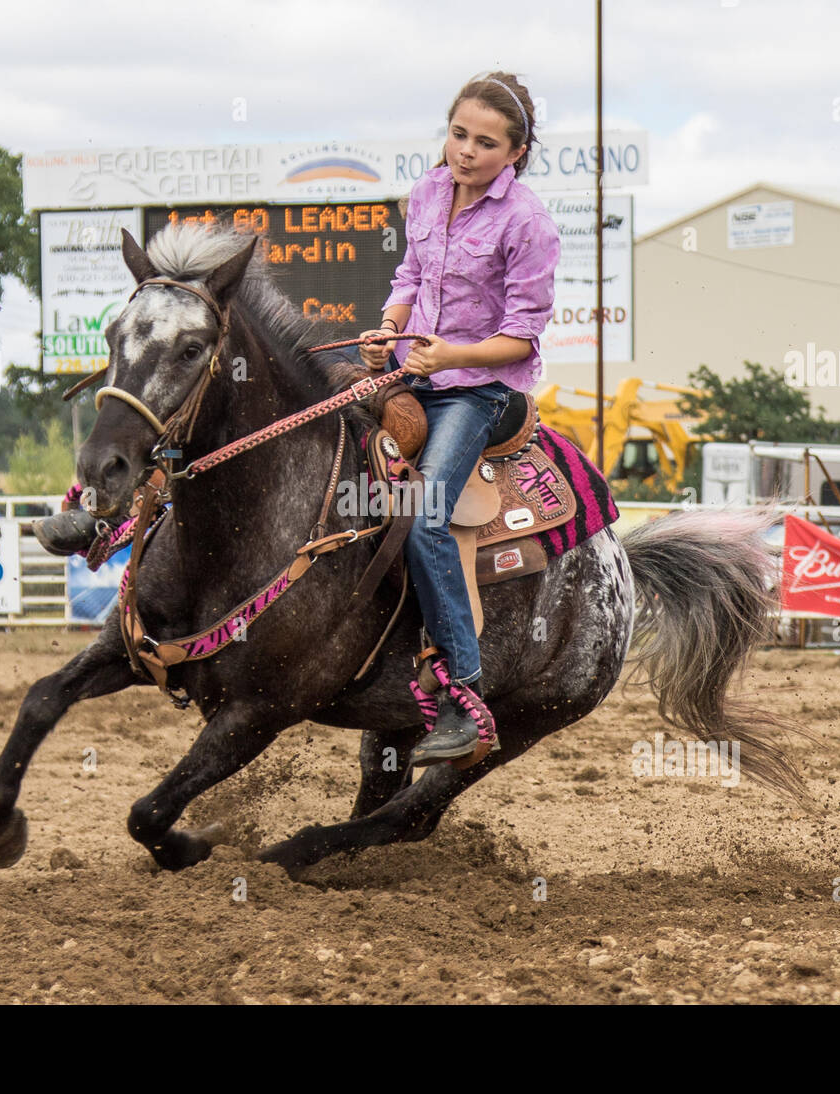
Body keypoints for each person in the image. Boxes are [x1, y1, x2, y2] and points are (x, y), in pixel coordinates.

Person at [358, 71, 559, 766]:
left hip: (480, 392)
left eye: (485, 142)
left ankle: (464, 697)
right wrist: (389, 327)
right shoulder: (425, 193)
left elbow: (523, 337)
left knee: (426, 510)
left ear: (516, 153)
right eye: (458, 134)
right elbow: (409, 278)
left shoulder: (527, 221)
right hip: (413, 370)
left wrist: (451, 356)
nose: (466, 151)